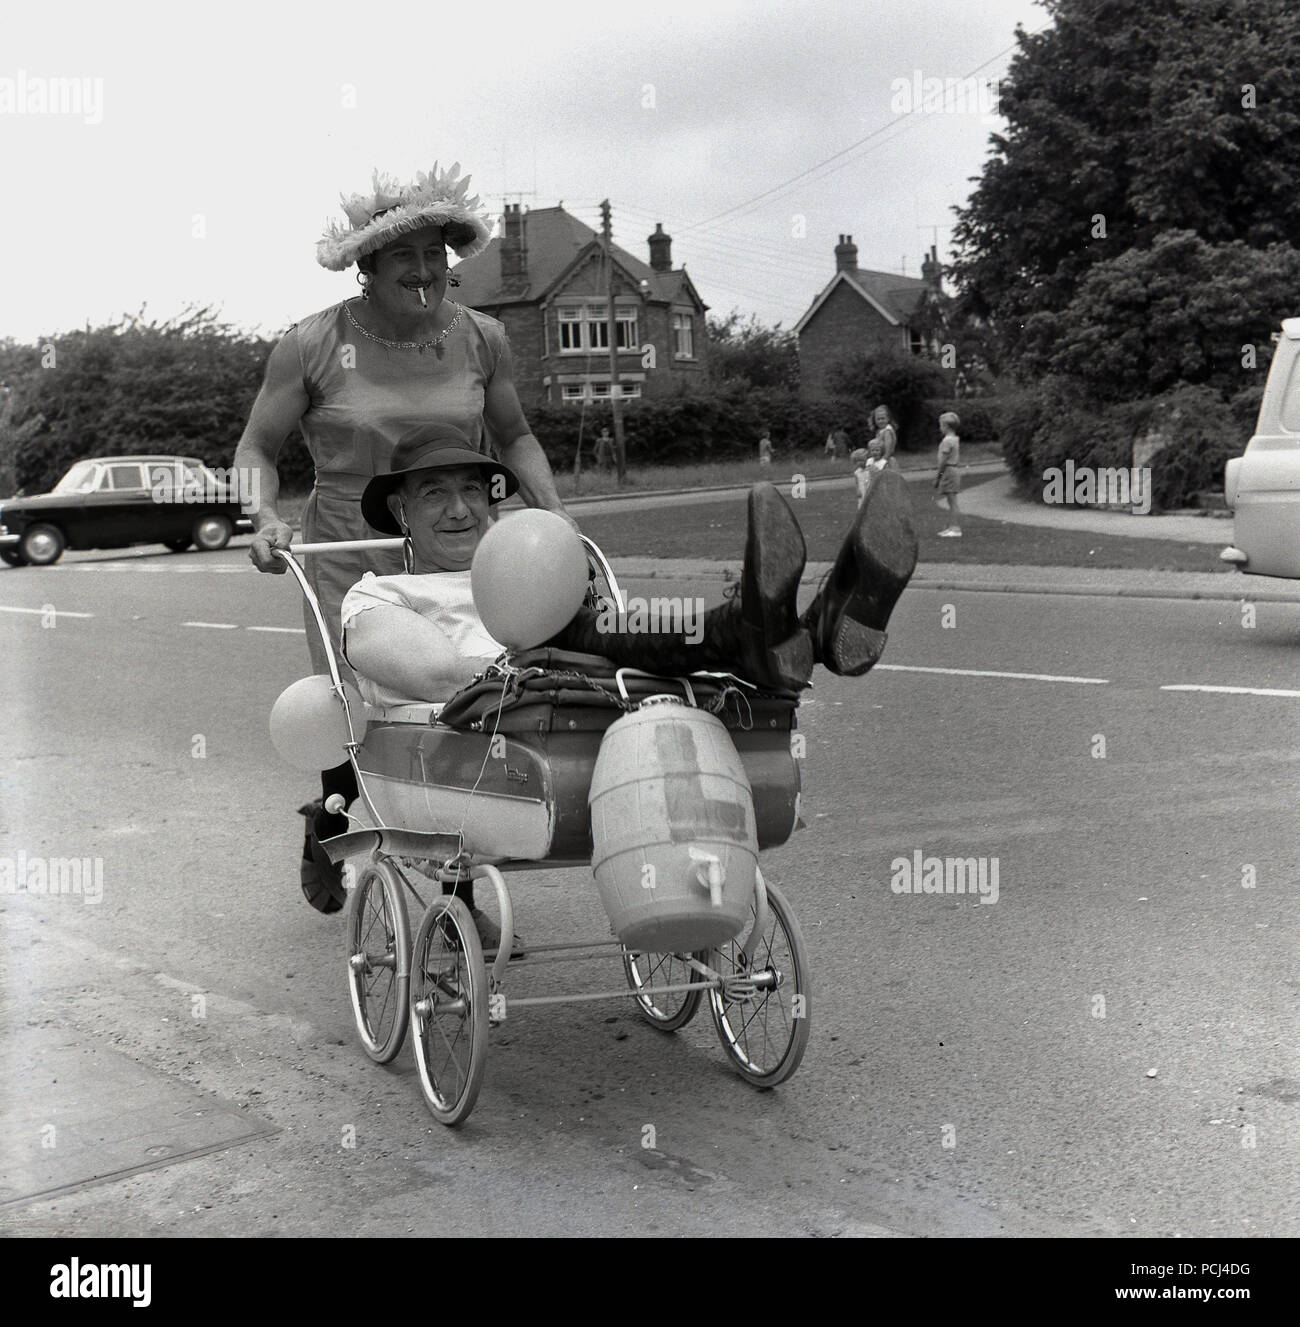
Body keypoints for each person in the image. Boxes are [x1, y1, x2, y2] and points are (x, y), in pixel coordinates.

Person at [233, 163, 573, 914]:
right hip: (344, 547)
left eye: (435, 256)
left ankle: (454, 890)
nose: (423, 272)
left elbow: (514, 436)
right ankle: (330, 818)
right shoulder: (312, 343)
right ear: (367, 268)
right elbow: (256, 447)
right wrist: (265, 518)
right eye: (403, 258)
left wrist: (555, 516)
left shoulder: (483, 338)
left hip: (456, 539)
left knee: (462, 692)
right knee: (353, 708)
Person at [935, 410, 963, 536]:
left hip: (949, 471)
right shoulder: (955, 439)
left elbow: (943, 461)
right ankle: (952, 526)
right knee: (951, 501)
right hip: (952, 470)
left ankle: (955, 528)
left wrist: (938, 477)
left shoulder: (947, 441)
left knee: (952, 502)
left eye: (941, 425)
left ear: (946, 426)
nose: (940, 428)